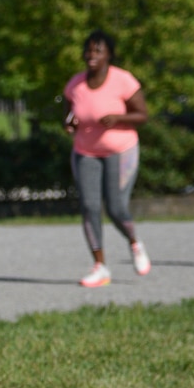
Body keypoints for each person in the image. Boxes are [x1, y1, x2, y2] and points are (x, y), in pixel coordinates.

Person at [63, 30, 150, 287]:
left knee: (115, 207)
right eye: (89, 50)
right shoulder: (75, 84)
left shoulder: (123, 80)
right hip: (85, 153)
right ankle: (100, 266)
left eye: (98, 50)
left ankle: (134, 243)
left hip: (120, 151)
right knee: (89, 207)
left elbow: (142, 115)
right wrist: (70, 123)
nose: (92, 55)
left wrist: (118, 118)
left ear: (109, 54)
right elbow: (68, 114)